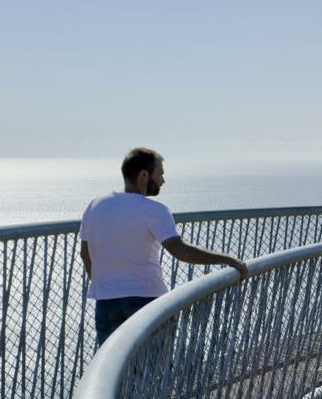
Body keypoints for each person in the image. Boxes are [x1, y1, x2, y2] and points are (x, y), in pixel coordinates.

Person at [79, 147, 249, 345]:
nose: (163, 180)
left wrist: (108, 286)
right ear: (144, 175)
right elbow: (180, 250)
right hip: (145, 299)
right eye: (159, 174)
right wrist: (228, 259)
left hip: (106, 302)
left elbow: (85, 254)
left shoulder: (94, 206)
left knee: (114, 370)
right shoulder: (155, 210)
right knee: (152, 370)